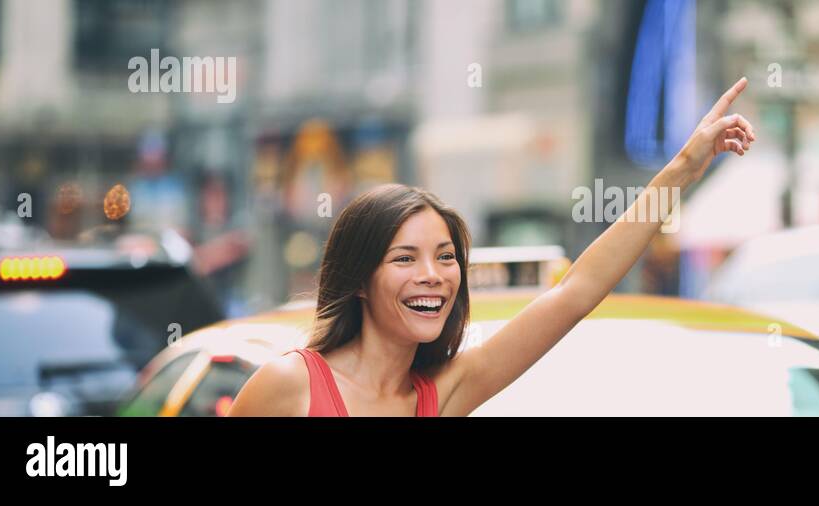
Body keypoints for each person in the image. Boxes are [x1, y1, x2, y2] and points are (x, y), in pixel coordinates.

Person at [228, 78, 756, 416]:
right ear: (360, 280)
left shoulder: (446, 390)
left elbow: (576, 292)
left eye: (446, 256)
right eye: (404, 258)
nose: (433, 274)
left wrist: (685, 167)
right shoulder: (288, 386)